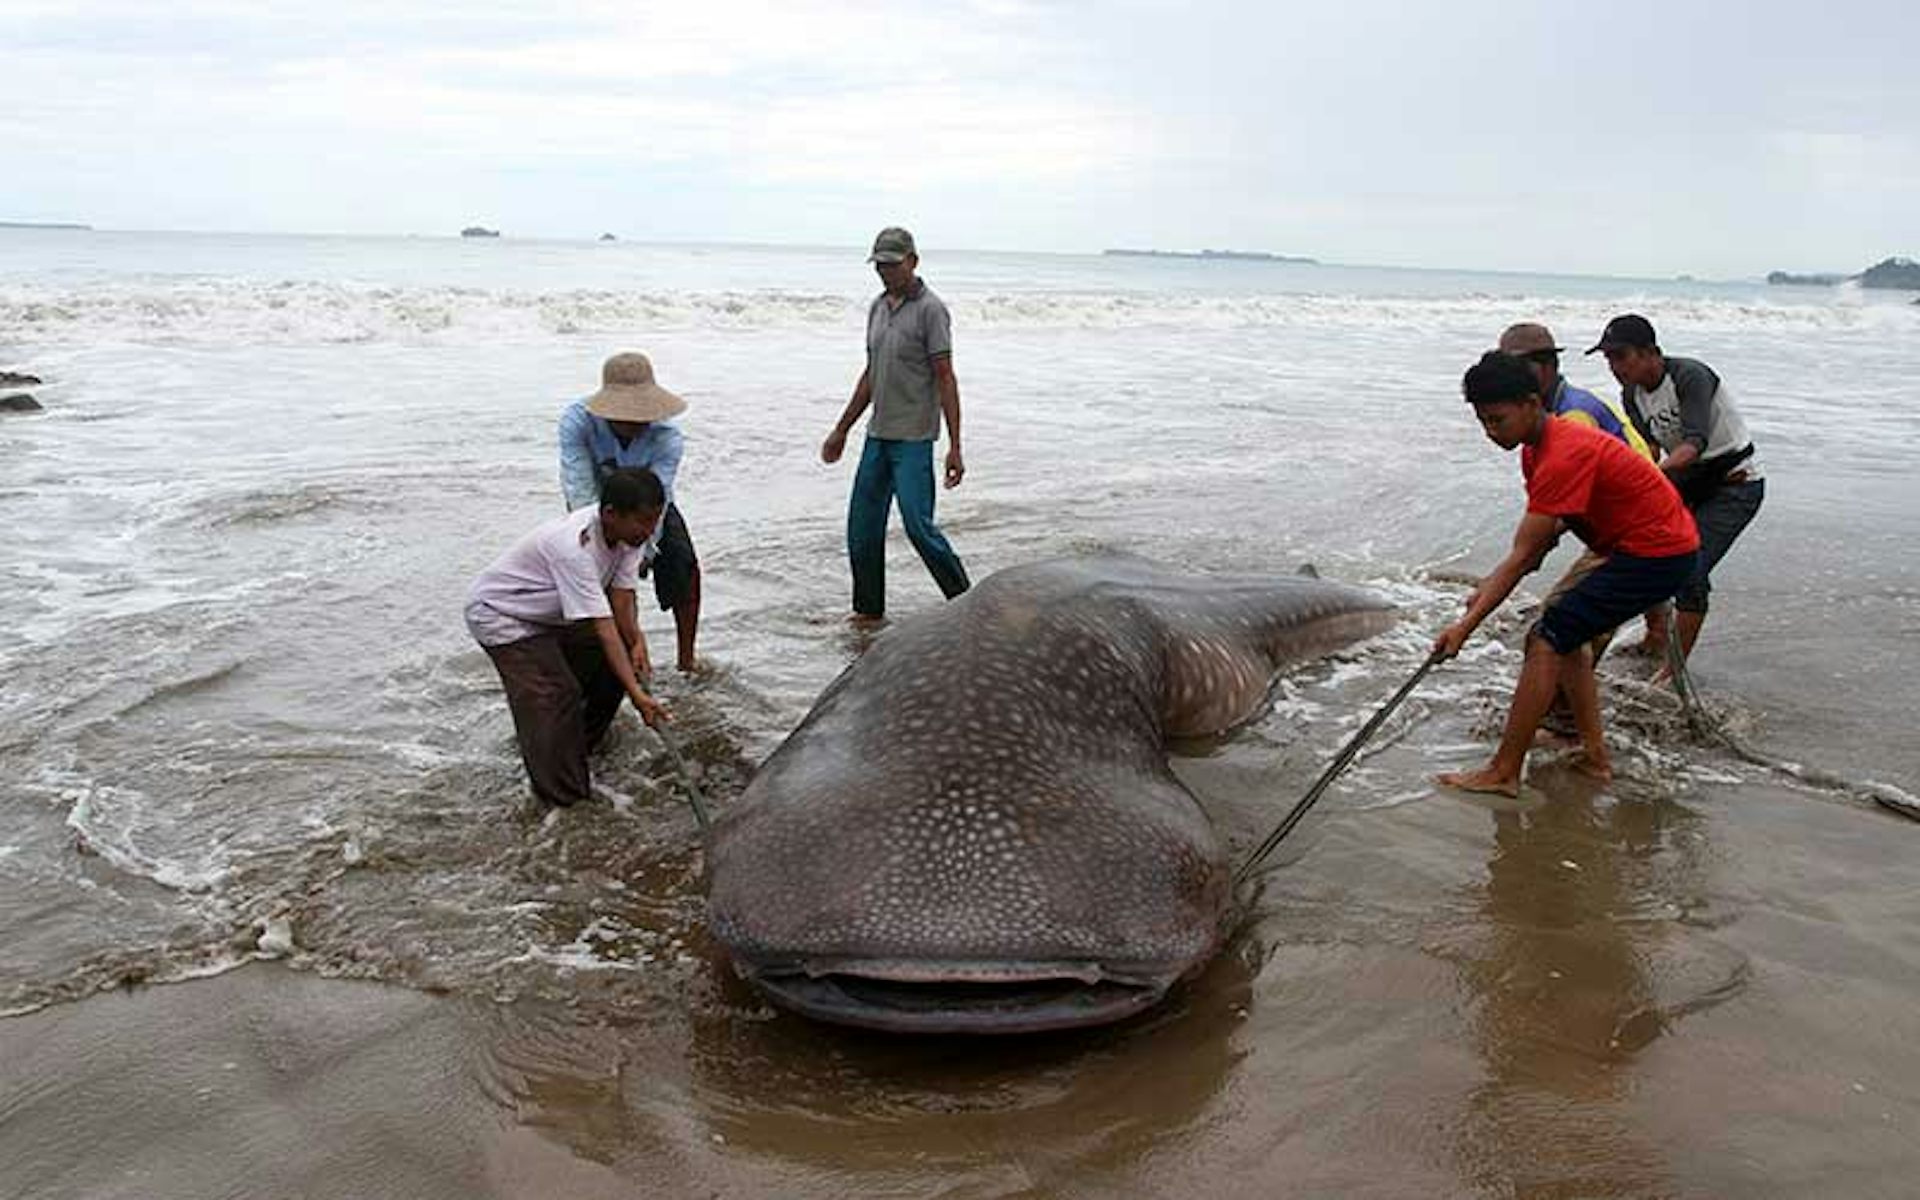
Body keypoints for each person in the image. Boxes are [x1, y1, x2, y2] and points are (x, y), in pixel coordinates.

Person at [1433, 352, 1700, 796]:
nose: (1490, 432)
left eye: (1498, 419)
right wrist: (1479, 602)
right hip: (1642, 548)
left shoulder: (1563, 453)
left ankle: (1503, 771)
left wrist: (1464, 628)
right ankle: (1594, 757)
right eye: (1482, 422)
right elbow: (1535, 547)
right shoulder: (1537, 450)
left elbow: (1522, 558)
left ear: (1532, 403)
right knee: (1568, 635)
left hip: (1656, 554)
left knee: (1545, 638)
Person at [466, 468, 672, 808]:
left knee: (615, 667)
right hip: (502, 613)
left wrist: (637, 640)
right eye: (643, 521)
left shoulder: (630, 536)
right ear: (610, 514)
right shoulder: (573, 545)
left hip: (553, 610)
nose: (650, 531)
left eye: (655, 520)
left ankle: (577, 748)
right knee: (555, 693)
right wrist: (638, 696)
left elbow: (621, 598)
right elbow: (604, 627)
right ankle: (564, 800)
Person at [1586, 314, 1765, 669]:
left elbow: (1693, 443)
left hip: (1734, 484)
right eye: (1608, 358)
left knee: (1690, 572)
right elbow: (1649, 446)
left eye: (1621, 356)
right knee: (1639, 547)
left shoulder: (1689, 376)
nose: (1614, 366)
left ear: (1651, 352)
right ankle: (1655, 634)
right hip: (1687, 480)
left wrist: (1649, 476)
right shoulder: (1631, 393)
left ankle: (1672, 671)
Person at [820, 226, 970, 621]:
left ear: (913, 261)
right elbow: (871, 373)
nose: (885, 271)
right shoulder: (877, 307)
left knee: (919, 527)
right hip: (878, 436)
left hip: (914, 439)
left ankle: (967, 604)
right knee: (861, 531)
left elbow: (945, 376)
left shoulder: (931, 310)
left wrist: (955, 445)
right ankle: (868, 614)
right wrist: (842, 429)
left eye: (892, 263)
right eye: (879, 264)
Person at [1499, 321, 1669, 661]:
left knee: (1556, 624)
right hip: (1642, 521)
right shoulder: (1557, 408)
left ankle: (1559, 708)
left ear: (1547, 367)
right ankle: (1656, 637)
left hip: (1634, 532)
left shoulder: (1573, 416)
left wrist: (1536, 545)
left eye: (1513, 369)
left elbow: (1566, 500)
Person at [559, 351, 703, 672]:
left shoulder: (667, 437)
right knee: (604, 586)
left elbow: (659, 496)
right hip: (597, 505)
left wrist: (646, 545)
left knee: (684, 566)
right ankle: (624, 658)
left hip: (651, 505)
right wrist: (604, 543)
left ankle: (687, 661)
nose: (635, 423)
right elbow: (579, 487)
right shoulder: (577, 422)